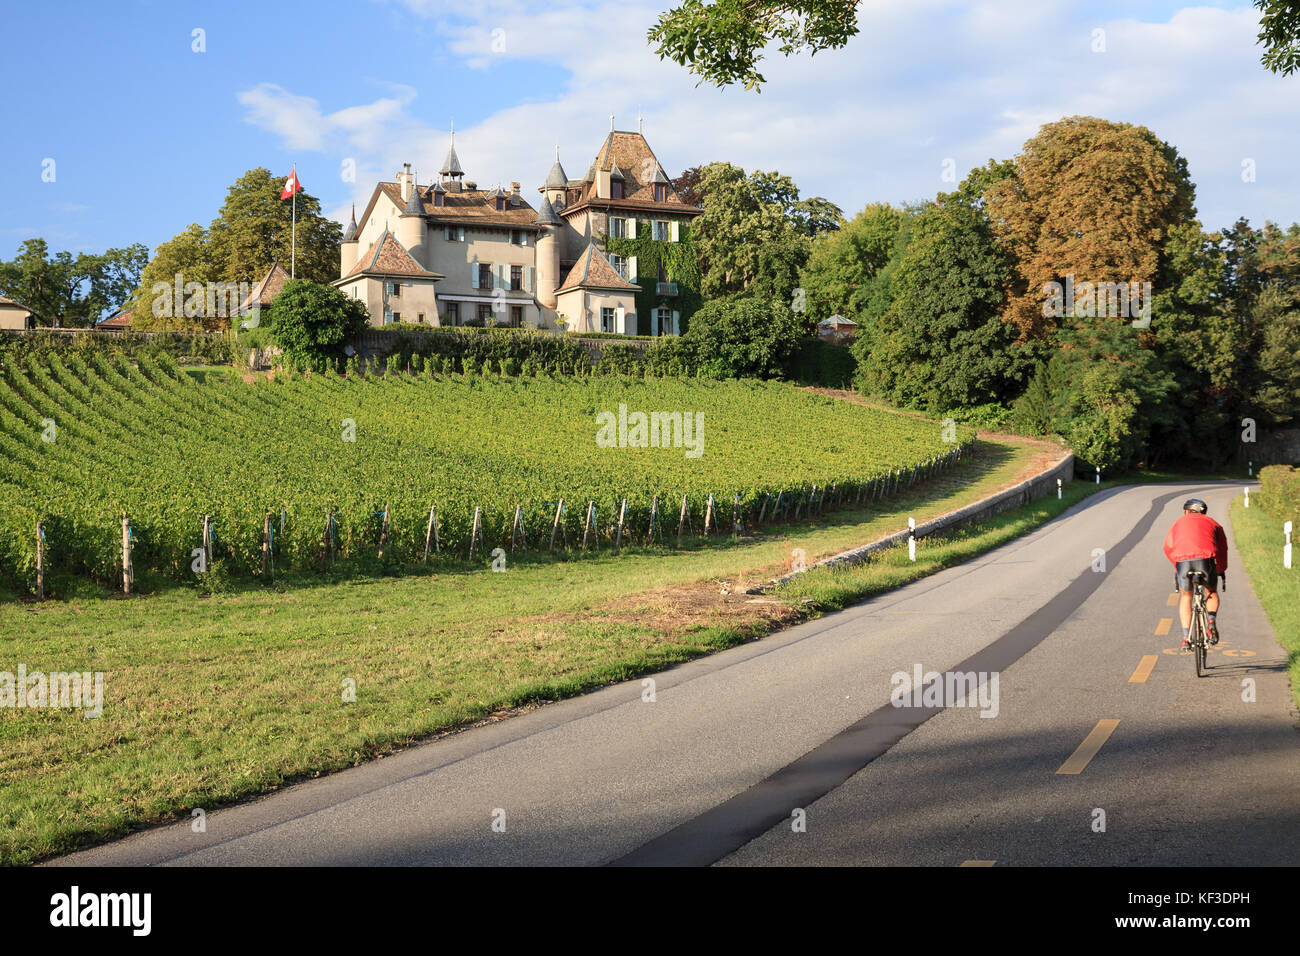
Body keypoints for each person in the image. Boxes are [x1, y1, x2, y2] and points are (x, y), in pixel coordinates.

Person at [1162, 498, 1228, 649]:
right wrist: (1221, 568)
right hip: (1205, 560)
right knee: (1211, 591)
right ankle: (1211, 621)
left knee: (1186, 596)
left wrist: (1177, 567)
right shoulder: (1213, 522)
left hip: (1183, 563)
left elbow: (1168, 547)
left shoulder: (1178, 523)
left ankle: (1186, 638)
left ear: (1186, 511)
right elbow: (1222, 548)